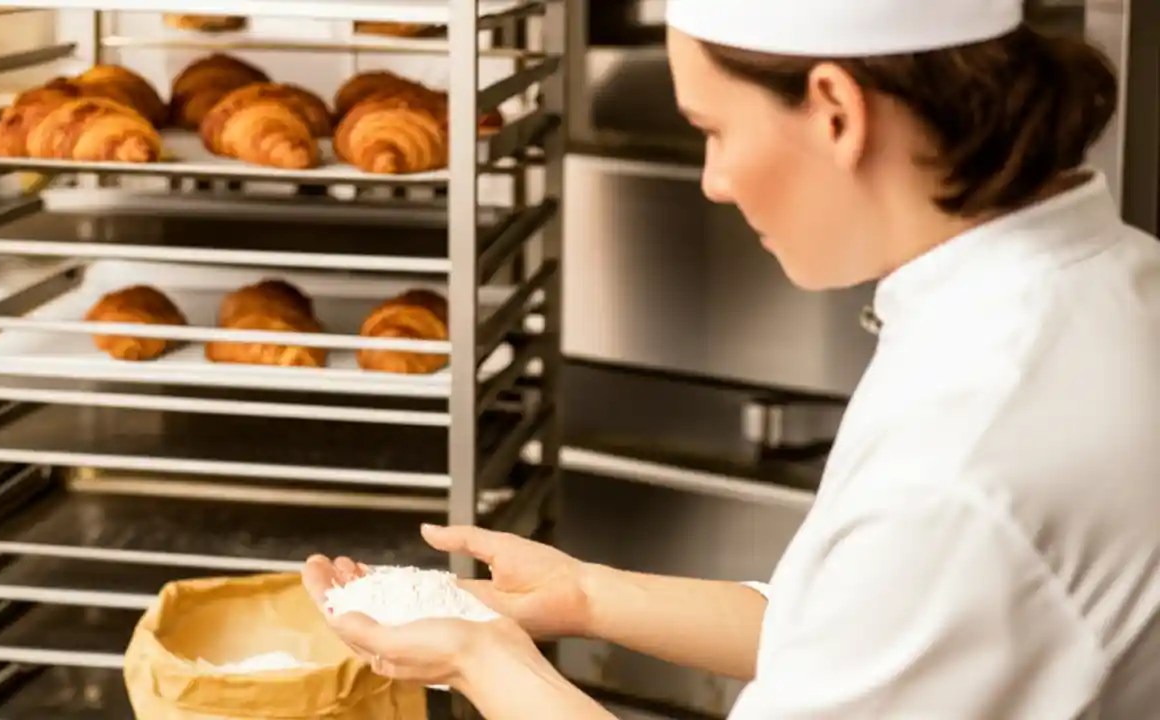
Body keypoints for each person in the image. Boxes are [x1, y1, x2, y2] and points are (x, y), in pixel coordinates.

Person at [302, 0, 1160, 716]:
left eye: (713, 129)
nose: (713, 180)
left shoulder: (964, 464)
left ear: (836, 109)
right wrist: (589, 597)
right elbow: (847, 625)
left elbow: (915, 574)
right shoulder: (1096, 288)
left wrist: (482, 662)